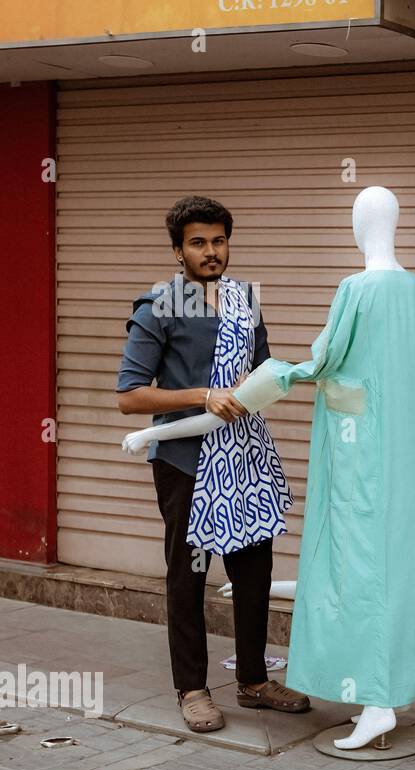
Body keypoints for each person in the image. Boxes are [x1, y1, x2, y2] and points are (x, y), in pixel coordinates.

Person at [116, 196, 309, 733]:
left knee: (255, 572)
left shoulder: (246, 300)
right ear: (178, 249)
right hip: (187, 462)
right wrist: (202, 395)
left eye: (219, 240)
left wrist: (299, 374)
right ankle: (193, 688)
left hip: (245, 457)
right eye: (198, 242)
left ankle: (252, 680)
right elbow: (130, 397)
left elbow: (261, 370)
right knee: (189, 576)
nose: (211, 251)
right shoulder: (158, 306)